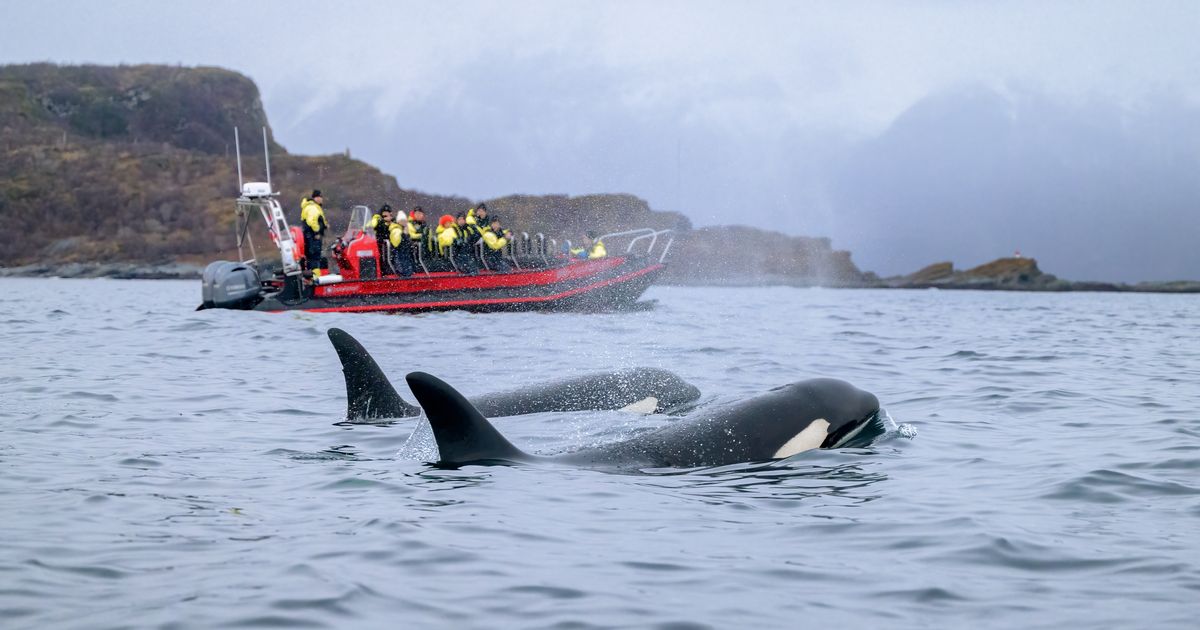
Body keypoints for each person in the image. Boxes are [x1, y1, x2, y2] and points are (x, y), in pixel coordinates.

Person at [299, 189, 328, 274]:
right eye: (320, 197)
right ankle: (315, 278)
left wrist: (325, 224)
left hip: (309, 237)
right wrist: (317, 232)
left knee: (311, 258)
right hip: (312, 237)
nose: (321, 199)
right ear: (316, 198)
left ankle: (311, 276)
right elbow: (312, 221)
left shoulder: (311, 207)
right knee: (314, 258)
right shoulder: (313, 207)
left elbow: (317, 219)